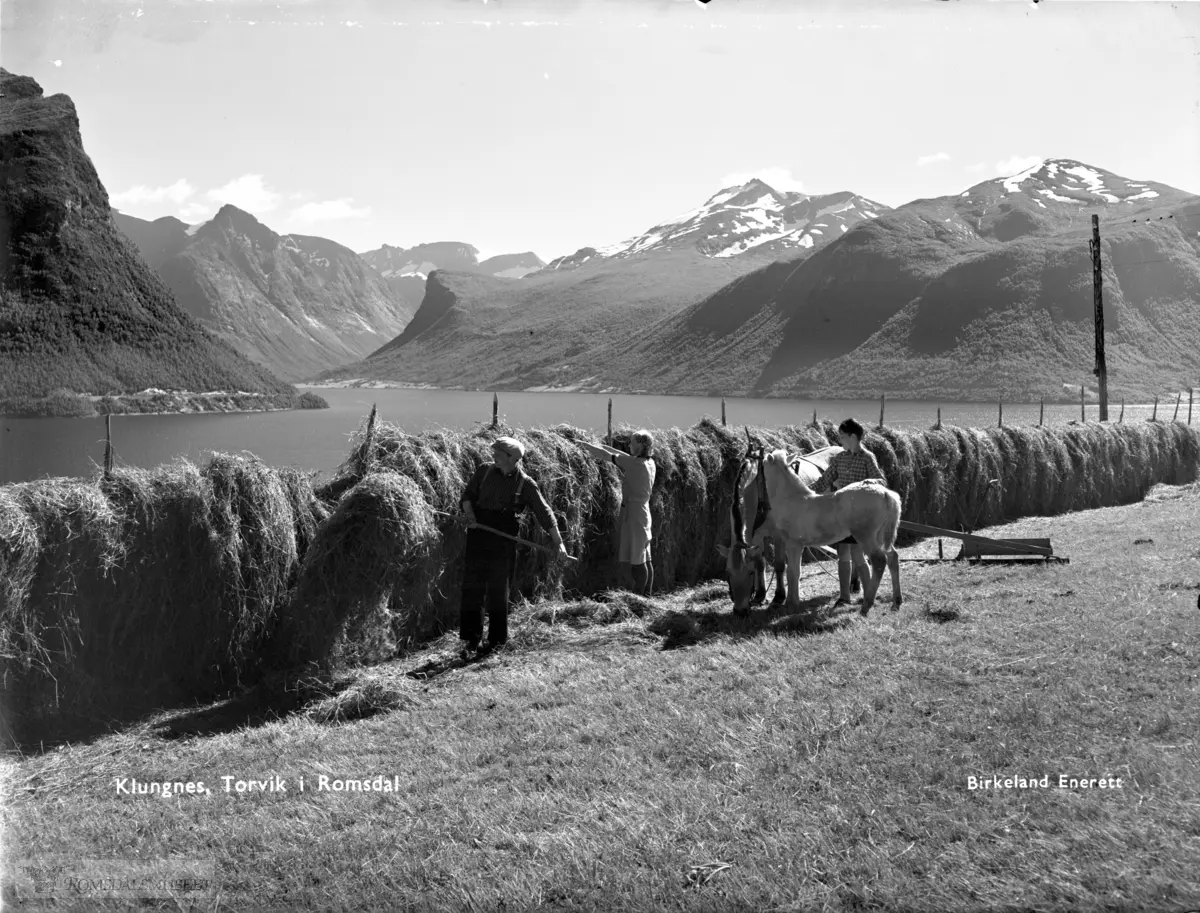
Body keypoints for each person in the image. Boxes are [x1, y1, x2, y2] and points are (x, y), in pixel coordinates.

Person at [458, 436, 568, 659]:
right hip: (478, 534)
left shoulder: (525, 484)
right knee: (473, 587)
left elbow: (545, 514)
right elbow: (467, 497)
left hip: (503, 540)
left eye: (497, 453)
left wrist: (559, 543)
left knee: (499, 590)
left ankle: (496, 642)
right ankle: (471, 640)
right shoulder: (484, 471)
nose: (493, 456)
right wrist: (469, 515)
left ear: (512, 458)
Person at [812, 418, 887, 606]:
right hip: (841, 516)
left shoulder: (867, 458)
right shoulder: (840, 458)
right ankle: (844, 597)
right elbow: (824, 480)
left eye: (843, 437)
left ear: (853, 437)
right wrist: (804, 492)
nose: (840, 441)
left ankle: (868, 596)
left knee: (857, 554)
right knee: (842, 554)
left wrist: (864, 485)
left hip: (859, 516)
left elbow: (881, 480)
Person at [577, 430, 657, 596]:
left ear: (641, 445)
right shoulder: (649, 462)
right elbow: (620, 454)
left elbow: (605, 456)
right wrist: (602, 445)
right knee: (645, 557)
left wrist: (585, 446)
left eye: (633, 443)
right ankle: (647, 596)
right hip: (643, 511)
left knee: (638, 561)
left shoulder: (634, 464)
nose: (629, 445)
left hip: (635, 515)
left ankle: (640, 598)